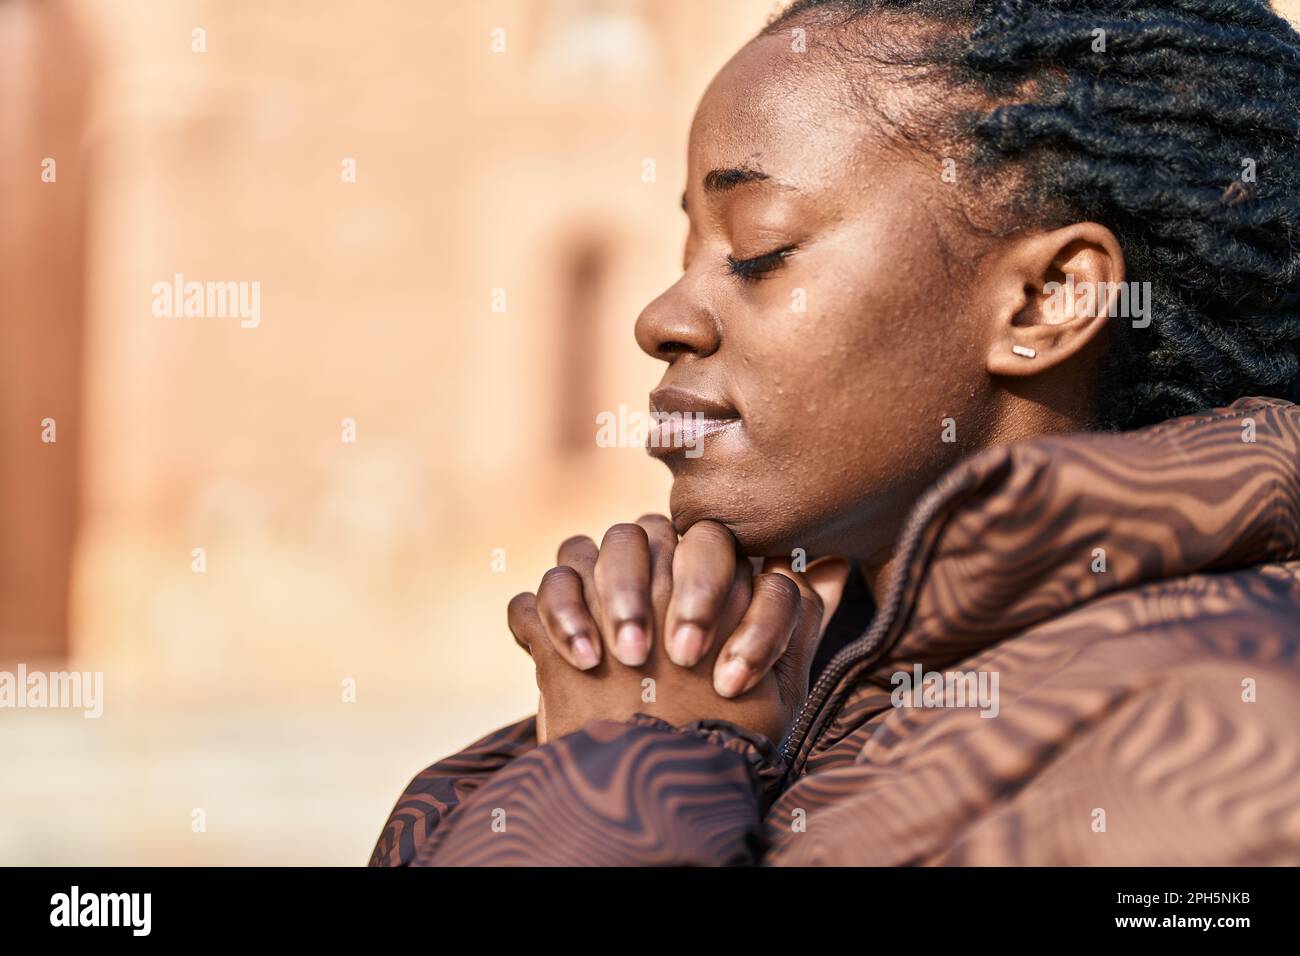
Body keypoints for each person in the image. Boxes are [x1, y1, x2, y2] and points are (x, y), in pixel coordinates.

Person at [372, 0, 1300, 866]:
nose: (661, 318)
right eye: (686, 251)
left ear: (1045, 300)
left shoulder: (1231, 729)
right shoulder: (759, 690)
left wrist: (626, 776)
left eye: (758, 252)